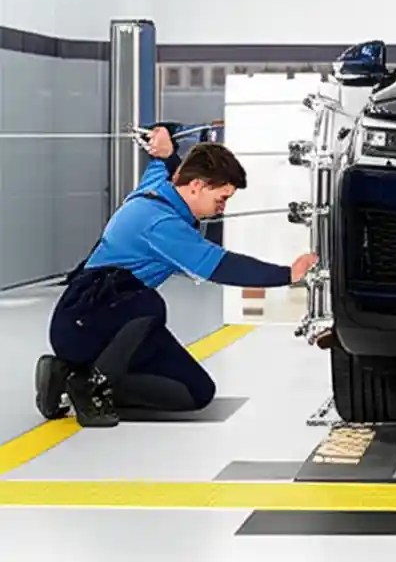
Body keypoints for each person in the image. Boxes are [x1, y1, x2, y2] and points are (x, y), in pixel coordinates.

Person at [34, 126, 318, 428]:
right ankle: (91, 387)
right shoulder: (160, 223)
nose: (223, 206)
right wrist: (288, 274)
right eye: (221, 197)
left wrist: (167, 151)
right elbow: (222, 266)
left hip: (117, 320)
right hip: (85, 320)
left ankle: (68, 375)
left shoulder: (163, 185)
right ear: (196, 185)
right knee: (148, 304)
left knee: (195, 393)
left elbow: (165, 165)